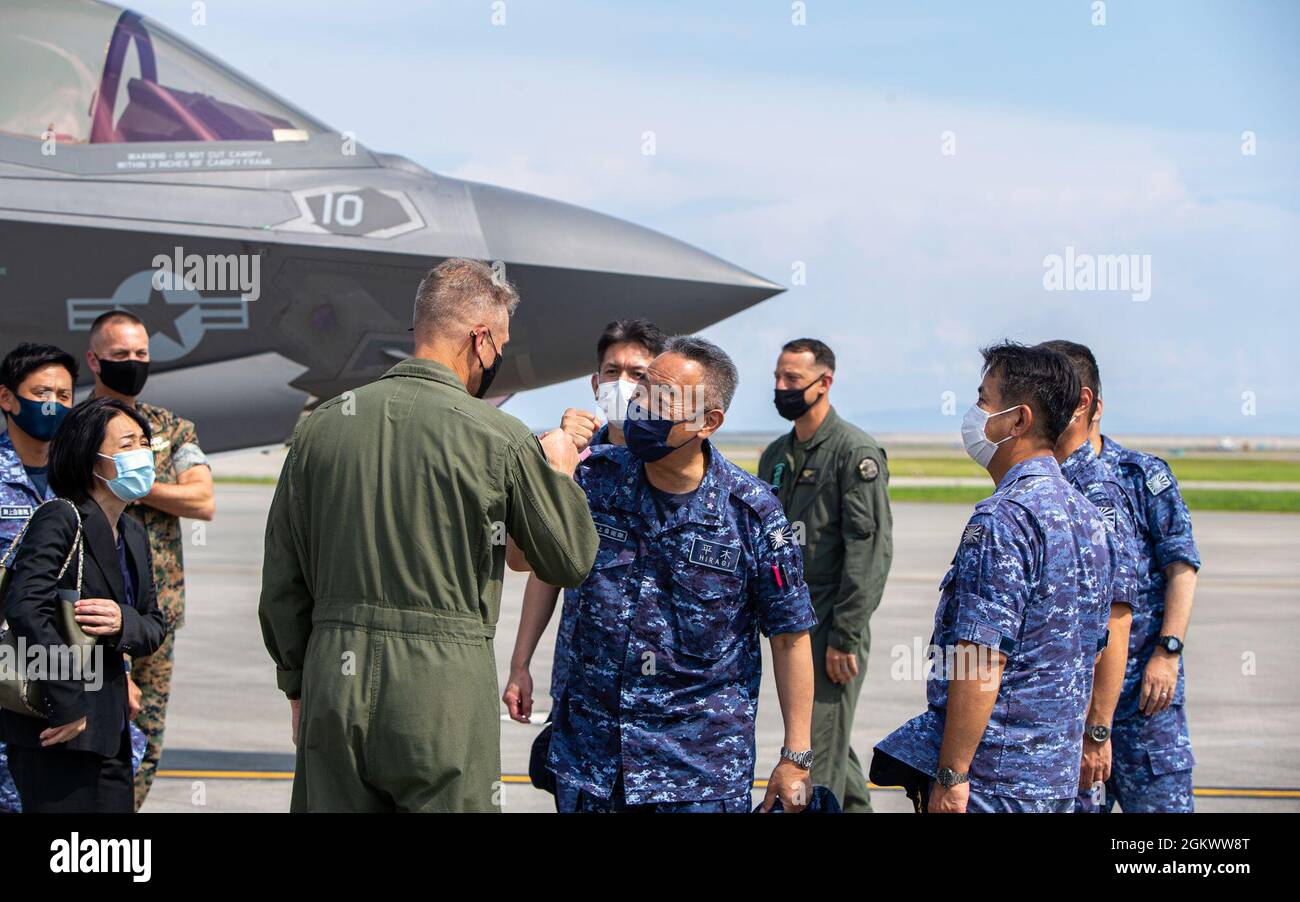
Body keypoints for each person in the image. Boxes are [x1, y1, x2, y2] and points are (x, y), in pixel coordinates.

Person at [259, 258, 599, 812]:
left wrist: (298, 684)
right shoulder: (500, 437)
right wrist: (558, 472)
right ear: (480, 338)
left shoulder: (321, 427)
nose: (499, 359)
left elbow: (283, 575)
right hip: (440, 685)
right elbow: (569, 560)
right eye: (501, 345)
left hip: (333, 677)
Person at [547, 335, 818, 813]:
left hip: (696, 774)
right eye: (644, 388)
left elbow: (790, 637)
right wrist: (553, 472)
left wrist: (796, 757)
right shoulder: (593, 479)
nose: (641, 403)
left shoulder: (751, 513)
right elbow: (526, 561)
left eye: (664, 397)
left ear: (707, 422)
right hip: (593, 767)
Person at [872, 342, 1112, 813]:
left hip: (994, 782)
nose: (974, 414)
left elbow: (981, 661)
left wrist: (952, 775)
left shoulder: (1004, 519)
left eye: (984, 400)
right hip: (1053, 781)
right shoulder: (1088, 516)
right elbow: (1094, 648)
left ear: (1018, 420)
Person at [502, 318, 665, 810]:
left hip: (663, 710)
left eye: (638, 373)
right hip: (585, 699)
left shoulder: (677, 464)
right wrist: (520, 663)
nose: (623, 383)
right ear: (595, 384)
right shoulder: (579, 466)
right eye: (612, 371)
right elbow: (530, 563)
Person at [1, 398, 168, 813]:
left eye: (144, 443)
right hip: (56, 726)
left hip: (109, 730)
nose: (141, 454)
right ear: (90, 459)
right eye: (127, 444)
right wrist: (68, 703)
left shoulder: (131, 531)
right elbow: (25, 607)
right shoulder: (60, 516)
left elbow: (152, 624)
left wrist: (121, 621)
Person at [85, 309, 215, 810]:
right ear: (94, 360)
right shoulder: (75, 428)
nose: (133, 363)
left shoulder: (170, 429)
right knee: (83, 737)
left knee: (146, 741)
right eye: (121, 355)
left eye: (141, 354)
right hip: (89, 617)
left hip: (156, 615)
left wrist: (136, 485)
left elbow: (202, 500)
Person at [757, 338, 892, 813]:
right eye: (778, 377)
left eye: (792, 379)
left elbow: (870, 551)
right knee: (834, 748)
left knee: (814, 761)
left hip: (831, 629)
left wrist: (845, 636)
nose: (781, 387)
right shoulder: (776, 454)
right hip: (792, 629)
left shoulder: (853, 452)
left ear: (824, 382)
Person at [1093, 360, 1201, 812]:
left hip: (1146, 699)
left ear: (1090, 405)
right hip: (1078, 707)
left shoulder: (1139, 475)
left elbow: (1182, 566)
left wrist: (1168, 650)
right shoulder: (1048, 482)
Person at [1038, 340, 1138, 812]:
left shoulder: (1097, 493)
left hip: (1072, 735)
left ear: (1079, 402)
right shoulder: (1047, 480)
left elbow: (1116, 619)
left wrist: (1097, 731)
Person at [0, 342, 78, 813]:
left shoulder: (81, 477)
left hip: (66, 668)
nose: (54, 403)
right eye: (41, 391)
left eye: (65, 395)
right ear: (7, 398)